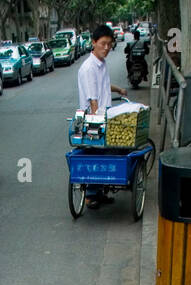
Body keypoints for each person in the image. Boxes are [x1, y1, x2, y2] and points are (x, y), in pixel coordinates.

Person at [76, 24, 125, 208]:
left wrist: (119, 89)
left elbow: (104, 85)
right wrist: (98, 123)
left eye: (109, 44)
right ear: (94, 42)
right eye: (103, 43)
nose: (106, 48)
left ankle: (98, 191)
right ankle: (90, 194)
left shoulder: (101, 64)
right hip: (92, 119)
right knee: (99, 155)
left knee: (105, 153)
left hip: (104, 116)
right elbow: (92, 99)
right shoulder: (89, 67)